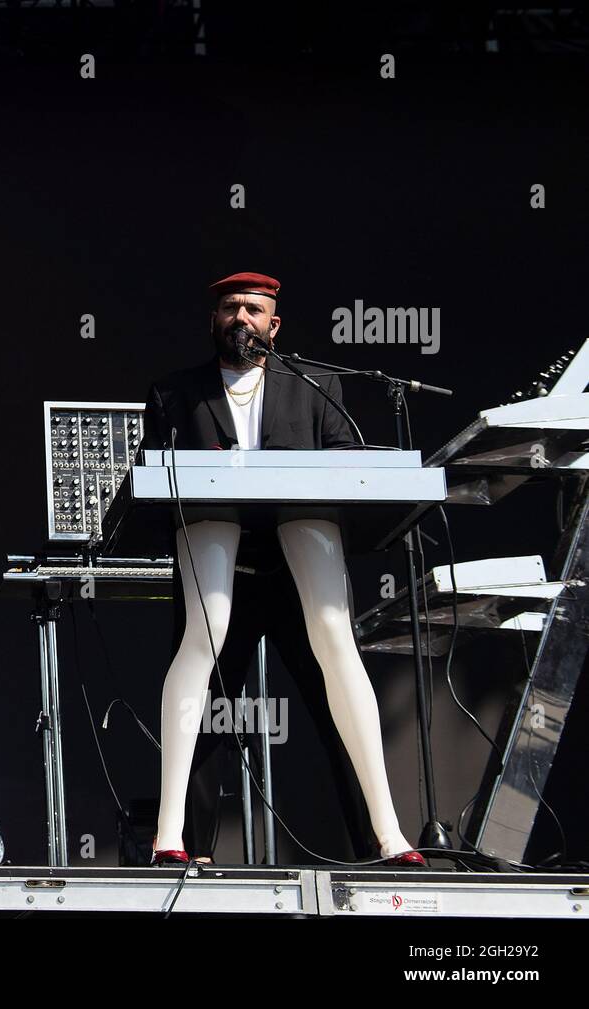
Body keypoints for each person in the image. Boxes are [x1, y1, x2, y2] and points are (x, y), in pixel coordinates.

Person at [141, 271, 424, 868]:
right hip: (215, 528)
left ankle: (389, 835)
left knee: (334, 634)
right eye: (229, 308)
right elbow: (159, 477)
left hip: (300, 529)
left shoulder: (313, 384)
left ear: (274, 324)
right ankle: (170, 835)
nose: (240, 317)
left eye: (252, 309)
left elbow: (347, 462)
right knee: (205, 630)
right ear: (212, 319)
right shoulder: (174, 393)